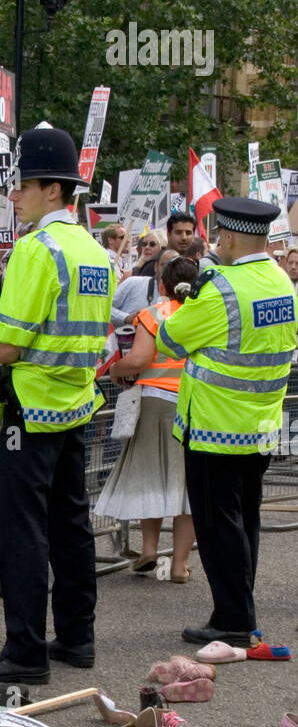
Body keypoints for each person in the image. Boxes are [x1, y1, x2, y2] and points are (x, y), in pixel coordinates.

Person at [0, 126, 114, 685]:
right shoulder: (93, 251)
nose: (13, 194)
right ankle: (77, 637)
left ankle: (24, 651)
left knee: (22, 530)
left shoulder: (36, 249)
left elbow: (8, 342)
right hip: (74, 404)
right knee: (71, 524)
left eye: (23, 184)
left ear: (54, 190)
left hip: (27, 407)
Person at [156, 196, 297, 645]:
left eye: (219, 235)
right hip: (260, 425)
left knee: (219, 528)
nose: (216, 242)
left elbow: (171, 339)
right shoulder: (280, 280)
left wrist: (187, 300)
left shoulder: (221, 288)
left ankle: (234, 620)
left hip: (216, 426)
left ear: (231, 237)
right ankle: (237, 608)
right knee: (244, 521)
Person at [95, 255, 198, 582]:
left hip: (155, 402)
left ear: (163, 284)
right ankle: (180, 566)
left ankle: (150, 550)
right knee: (187, 489)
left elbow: (138, 359)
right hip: (193, 404)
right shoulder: (203, 314)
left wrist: (115, 370)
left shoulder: (153, 314)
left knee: (152, 477)